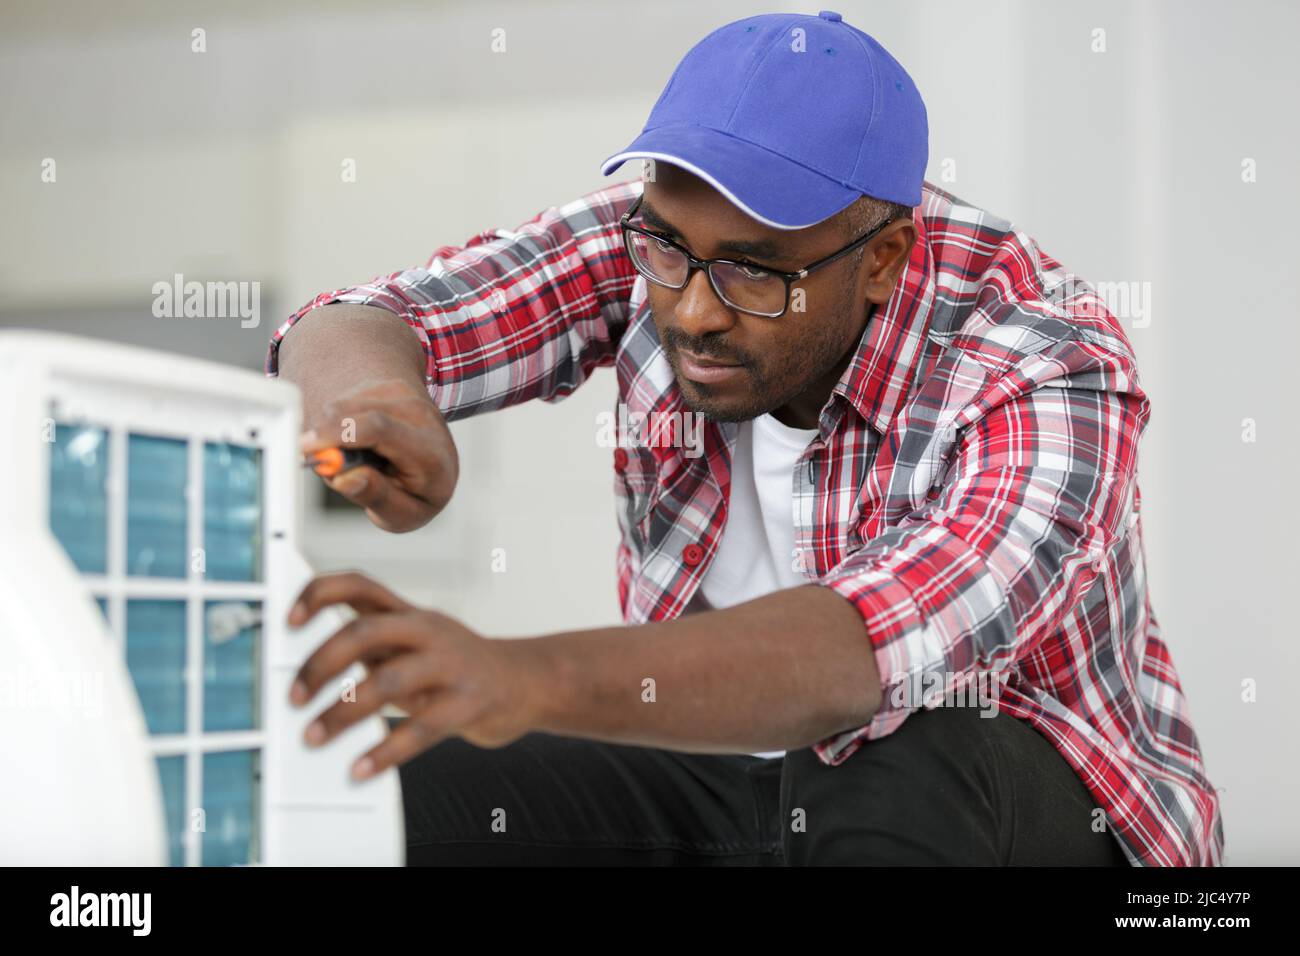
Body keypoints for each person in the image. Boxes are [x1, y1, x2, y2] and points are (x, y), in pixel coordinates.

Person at [268, 10, 1222, 866]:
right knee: (403, 791)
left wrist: (522, 674)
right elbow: (357, 319)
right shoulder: (671, 241)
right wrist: (374, 398)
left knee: (900, 752)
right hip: (732, 775)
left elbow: (869, 651)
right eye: (667, 250)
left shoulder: (1045, 358)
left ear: (882, 256)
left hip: (1020, 803)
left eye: (756, 275)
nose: (693, 311)